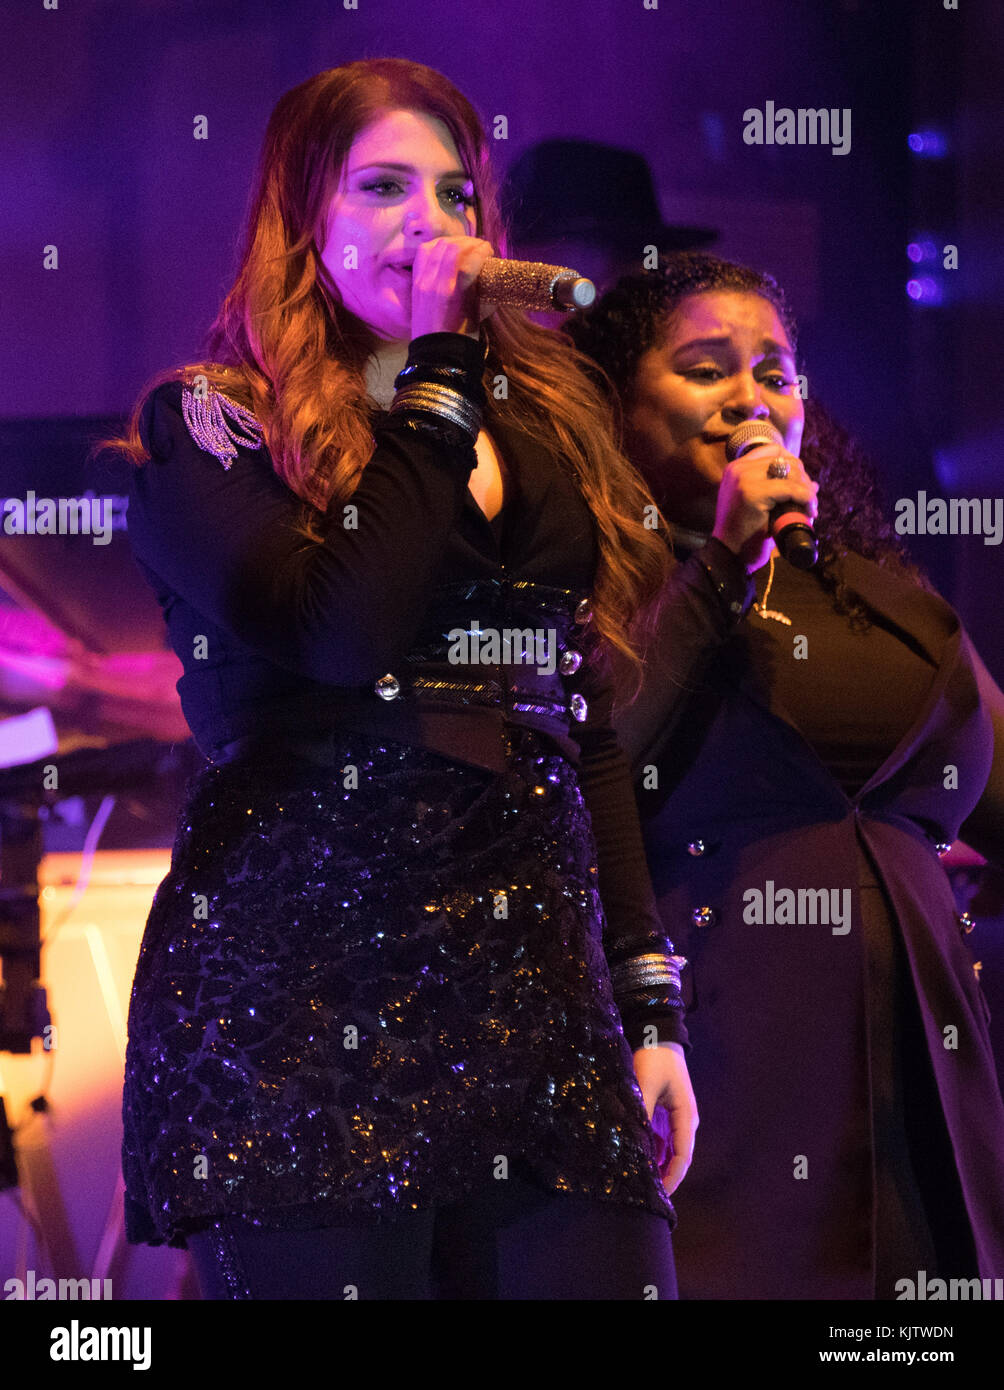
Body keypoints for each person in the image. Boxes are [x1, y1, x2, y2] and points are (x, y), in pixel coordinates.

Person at [104, 59, 700, 1301]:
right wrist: (434, 376)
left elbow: (574, 720)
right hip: (301, 1005)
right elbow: (337, 631)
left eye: (454, 193)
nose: (430, 223)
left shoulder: (537, 435)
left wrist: (646, 1007)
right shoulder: (213, 425)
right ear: (300, 221)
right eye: (381, 188)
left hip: (534, 1010)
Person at [564, 252, 1004, 1300]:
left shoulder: (878, 595)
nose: (750, 397)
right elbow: (591, 762)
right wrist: (718, 564)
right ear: (618, 412)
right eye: (706, 368)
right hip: (719, 1056)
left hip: (919, 1066)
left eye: (774, 369)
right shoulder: (599, 587)